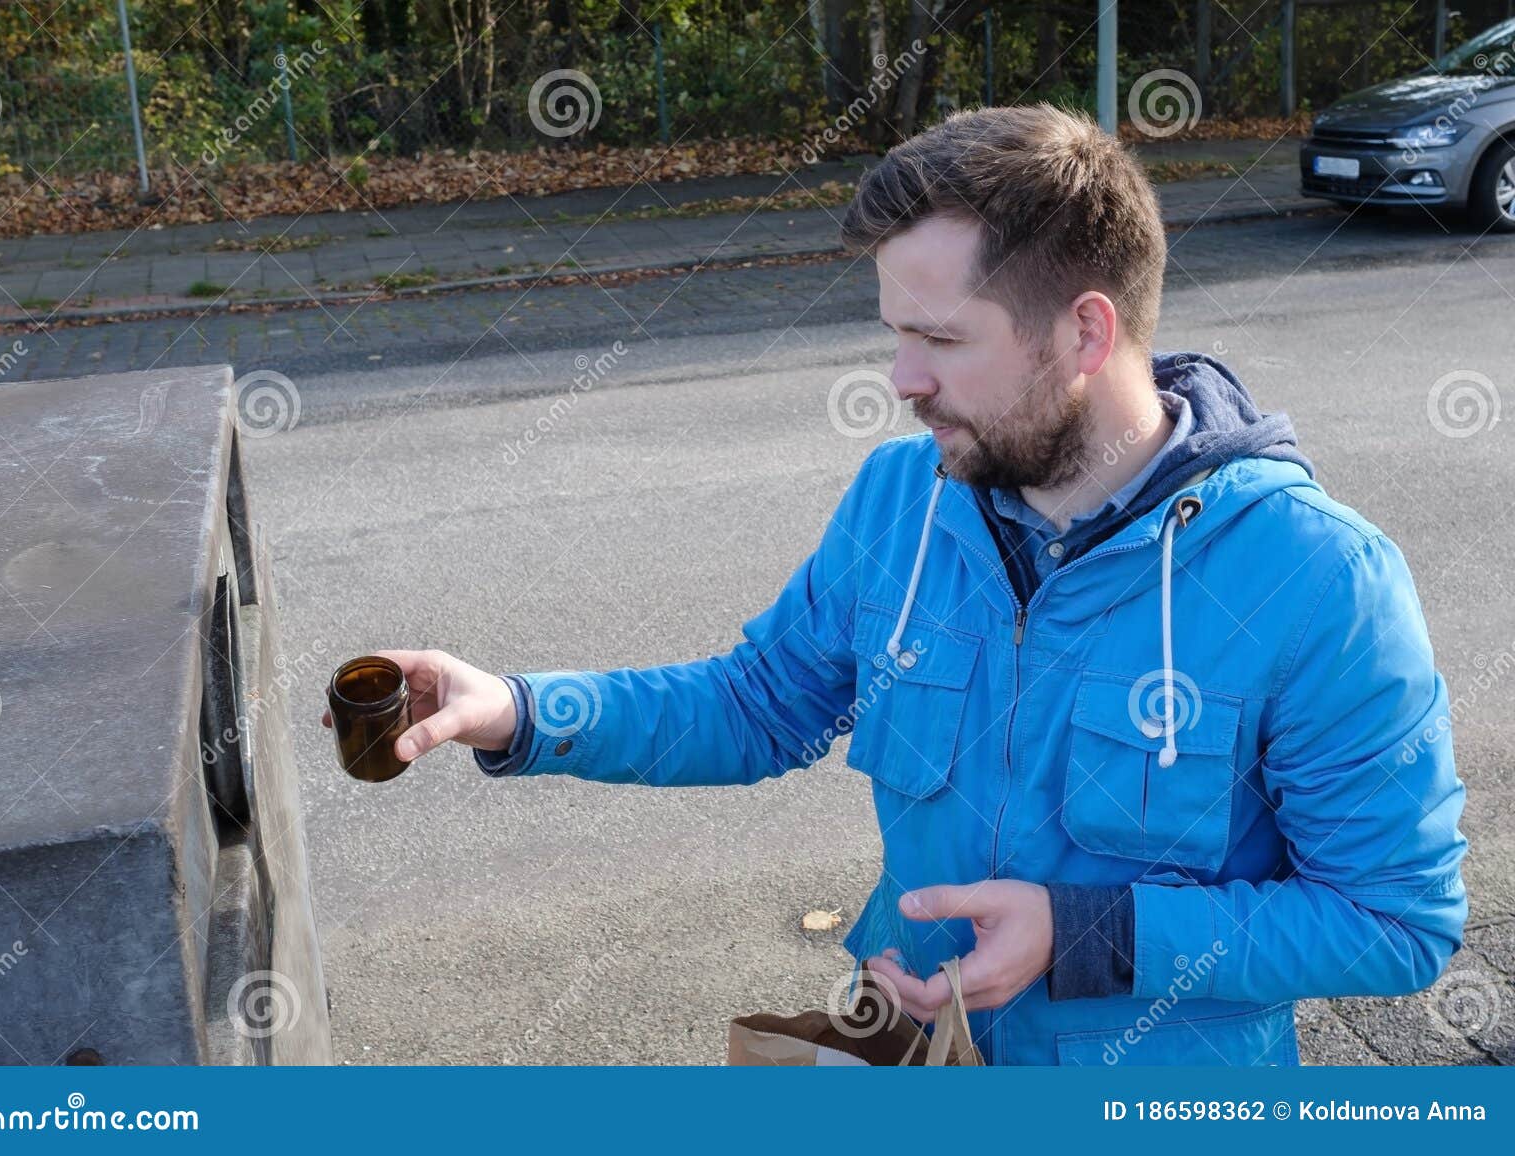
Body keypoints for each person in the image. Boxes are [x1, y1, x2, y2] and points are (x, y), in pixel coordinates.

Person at [326, 104, 1468, 1065]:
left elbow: (1391, 920)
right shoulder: (899, 500)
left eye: (940, 339)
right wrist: (520, 711)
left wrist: (1092, 933)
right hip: (916, 1058)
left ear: (1082, 333)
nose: (900, 381)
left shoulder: (1321, 579)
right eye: (893, 333)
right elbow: (759, 701)